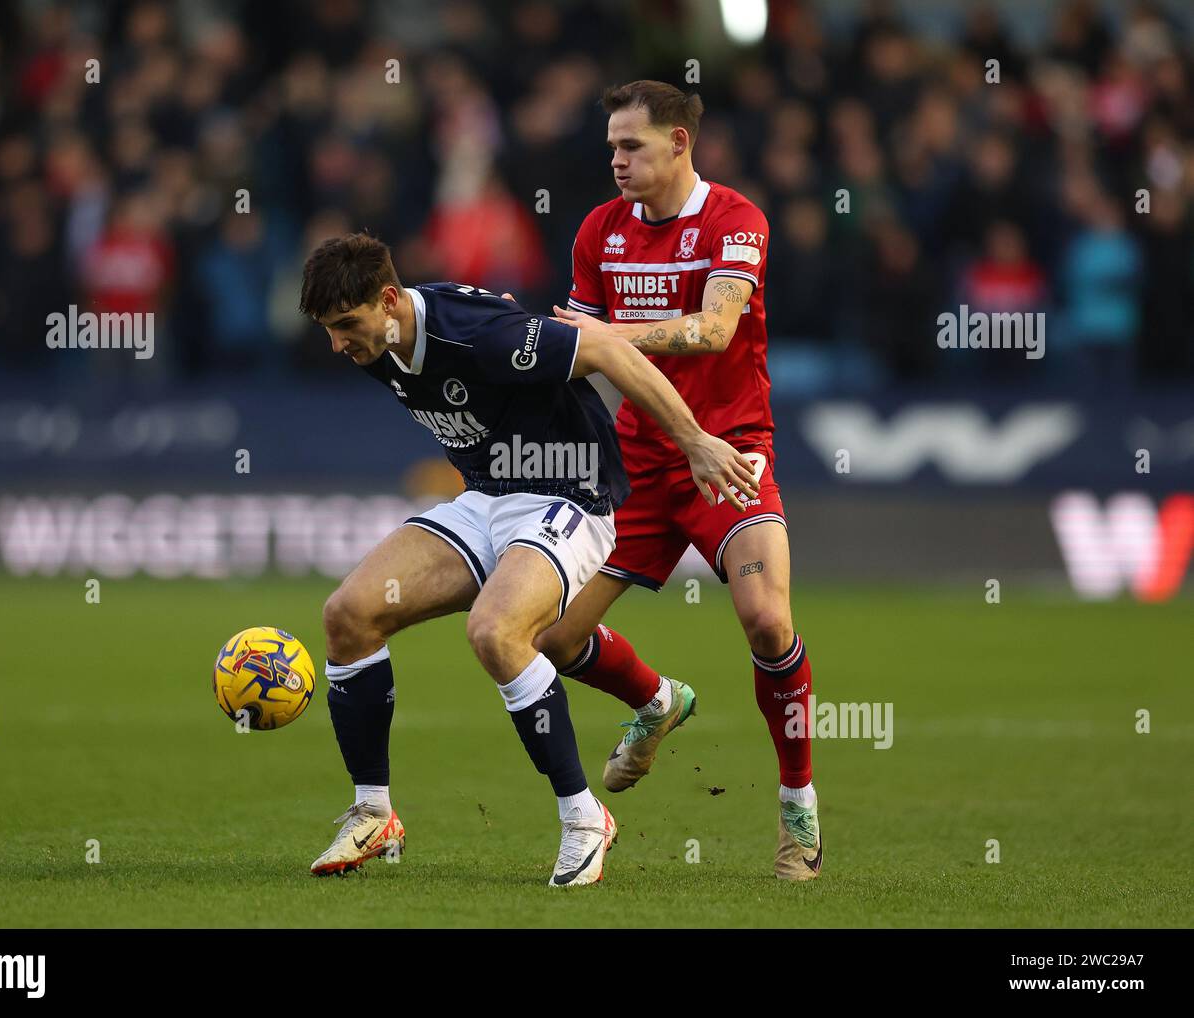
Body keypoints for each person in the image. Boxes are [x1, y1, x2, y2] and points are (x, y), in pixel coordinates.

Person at [298, 232, 758, 886]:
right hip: (487, 496)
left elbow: (605, 350)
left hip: (569, 492)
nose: (338, 345)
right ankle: (374, 813)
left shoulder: (476, 335)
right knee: (348, 615)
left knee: (496, 631)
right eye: (327, 330)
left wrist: (695, 441)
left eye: (345, 326)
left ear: (390, 300)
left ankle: (583, 819)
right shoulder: (377, 342)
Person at [534, 80, 824, 880]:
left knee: (767, 622)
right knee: (549, 639)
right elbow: (574, 355)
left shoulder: (737, 220)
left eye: (632, 146)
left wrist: (605, 334)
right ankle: (657, 700)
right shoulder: (600, 230)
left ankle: (798, 808)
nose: (618, 162)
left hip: (728, 454)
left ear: (678, 144)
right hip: (637, 465)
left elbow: (714, 329)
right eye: (611, 149)